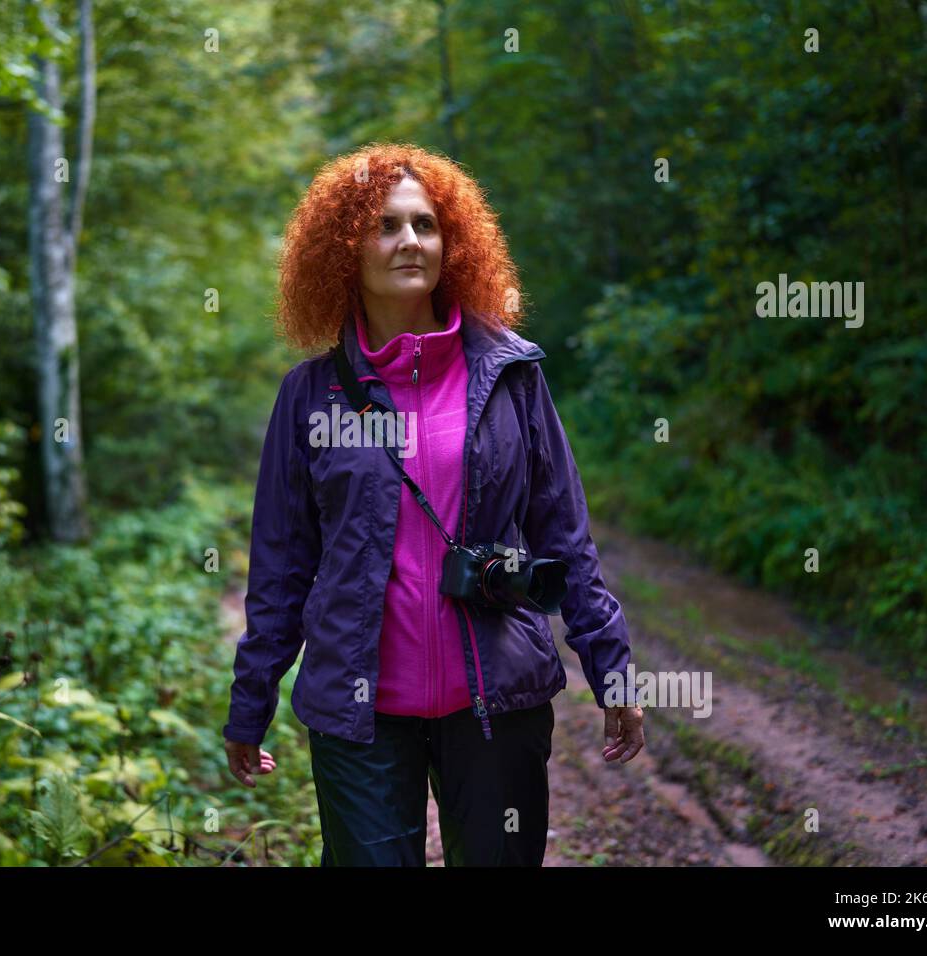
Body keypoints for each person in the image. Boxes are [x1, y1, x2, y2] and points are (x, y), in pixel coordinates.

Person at [222, 142, 644, 866]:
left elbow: (566, 537)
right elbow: (283, 567)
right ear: (343, 251)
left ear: (454, 241)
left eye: (425, 224)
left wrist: (614, 671)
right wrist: (250, 700)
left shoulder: (510, 376)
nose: (409, 240)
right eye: (385, 225)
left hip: (497, 704)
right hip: (361, 717)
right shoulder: (308, 397)